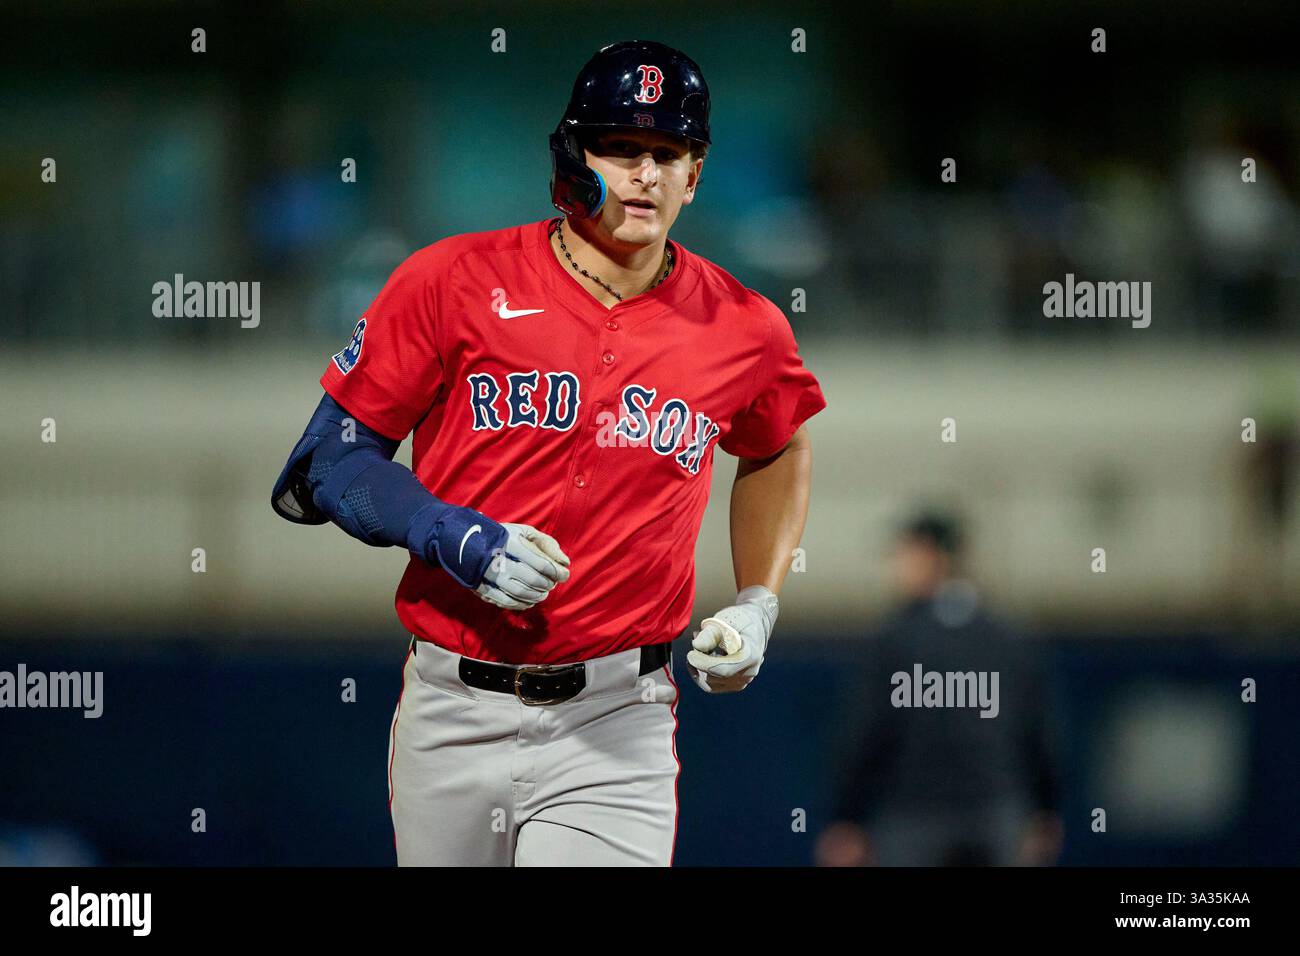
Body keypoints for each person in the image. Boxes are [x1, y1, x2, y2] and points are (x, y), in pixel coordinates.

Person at [270, 40, 827, 866]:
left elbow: (777, 444)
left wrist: (758, 600)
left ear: (695, 175)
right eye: (622, 146)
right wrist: (446, 532)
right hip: (453, 707)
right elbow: (327, 464)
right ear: (575, 155)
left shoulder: (742, 327)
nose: (646, 172)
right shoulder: (451, 279)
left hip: (617, 716)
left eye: (668, 153)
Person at [816, 510, 1063, 866]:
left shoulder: (895, 639)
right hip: (997, 817)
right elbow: (1040, 733)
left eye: (904, 555)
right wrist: (1045, 810)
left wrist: (847, 818)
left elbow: (867, 733)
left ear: (932, 555)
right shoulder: (1009, 638)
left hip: (912, 820)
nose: (897, 568)